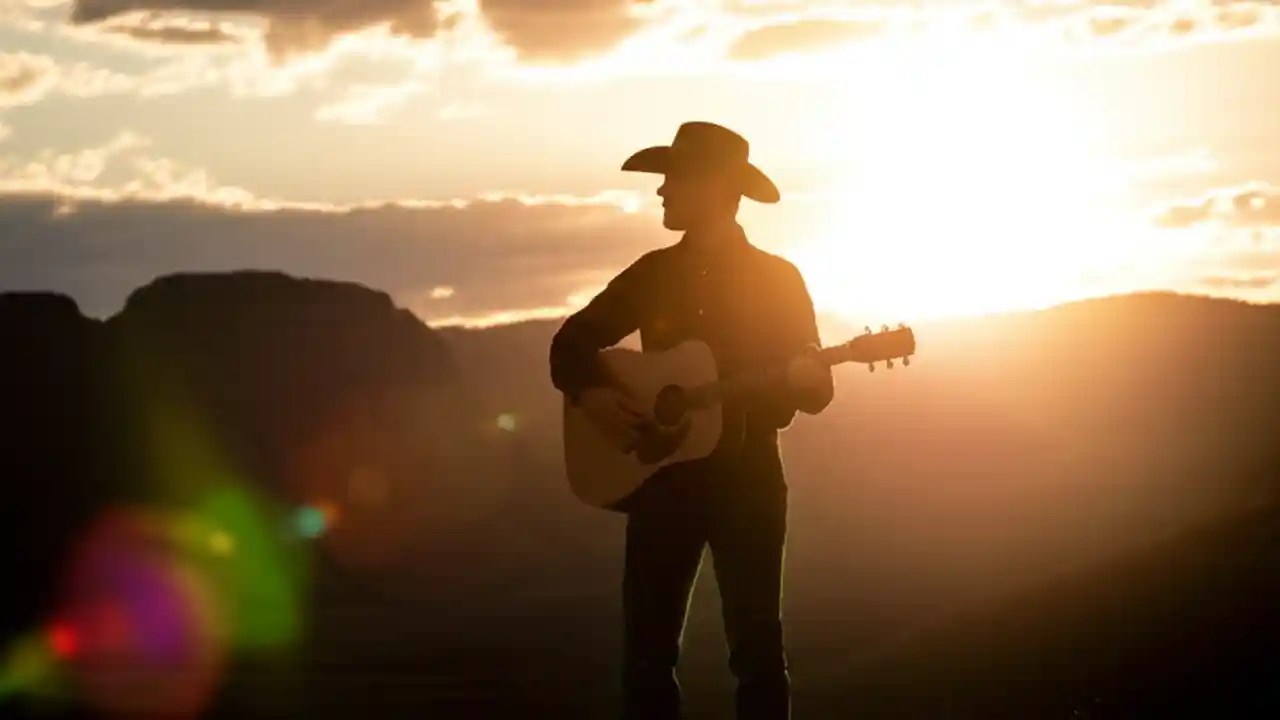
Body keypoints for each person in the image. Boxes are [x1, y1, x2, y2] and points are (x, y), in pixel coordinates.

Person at [549, 121, 834, 720]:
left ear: (713, 187)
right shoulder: (653, 274)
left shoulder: (777, 279)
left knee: (757, 656)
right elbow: (570, 345)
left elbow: (815, 391)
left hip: (748, 478)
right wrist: (597, 397)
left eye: (672, 178)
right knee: (648, 657)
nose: (661, 192)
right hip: (664, 478)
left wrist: (808, 379)